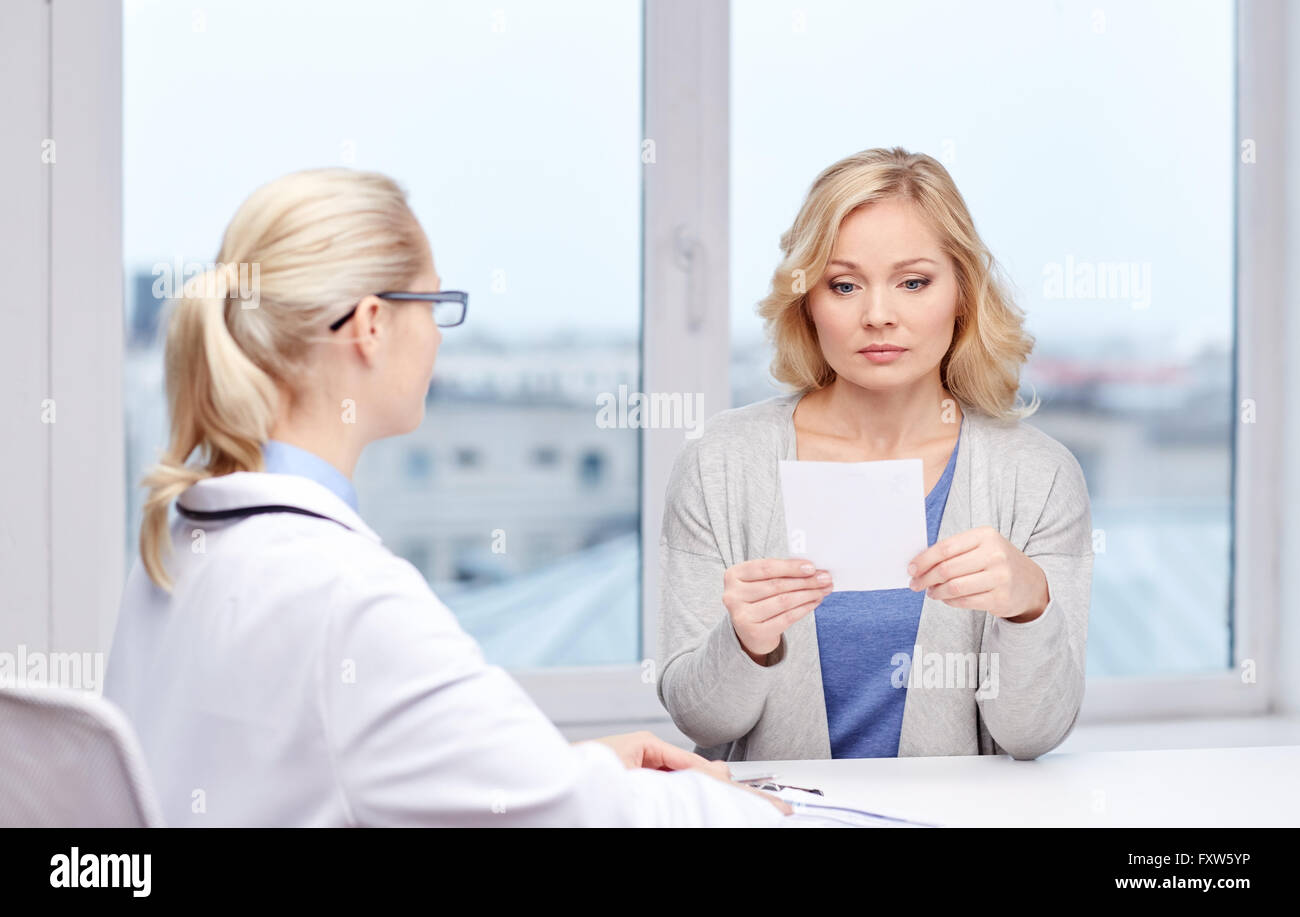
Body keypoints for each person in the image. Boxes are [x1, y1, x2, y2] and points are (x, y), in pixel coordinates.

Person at [104, 168, 788, 827]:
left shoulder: (177, 548)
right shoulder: (344, 595)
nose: (437, 335)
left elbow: (322, 773)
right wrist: (754, 807)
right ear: (371, 323)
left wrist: (559, 769)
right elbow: (575, 818)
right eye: (434, 305)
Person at [656, 147, 1094, 763]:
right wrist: (745, 643)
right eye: (844, 285)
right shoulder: (721, 463)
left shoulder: (1038, 476)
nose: (879, 316)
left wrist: (1030, 605)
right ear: (807, 300)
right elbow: (700, 720)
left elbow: (1032, 735)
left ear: (963, 295)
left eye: (914, 282)